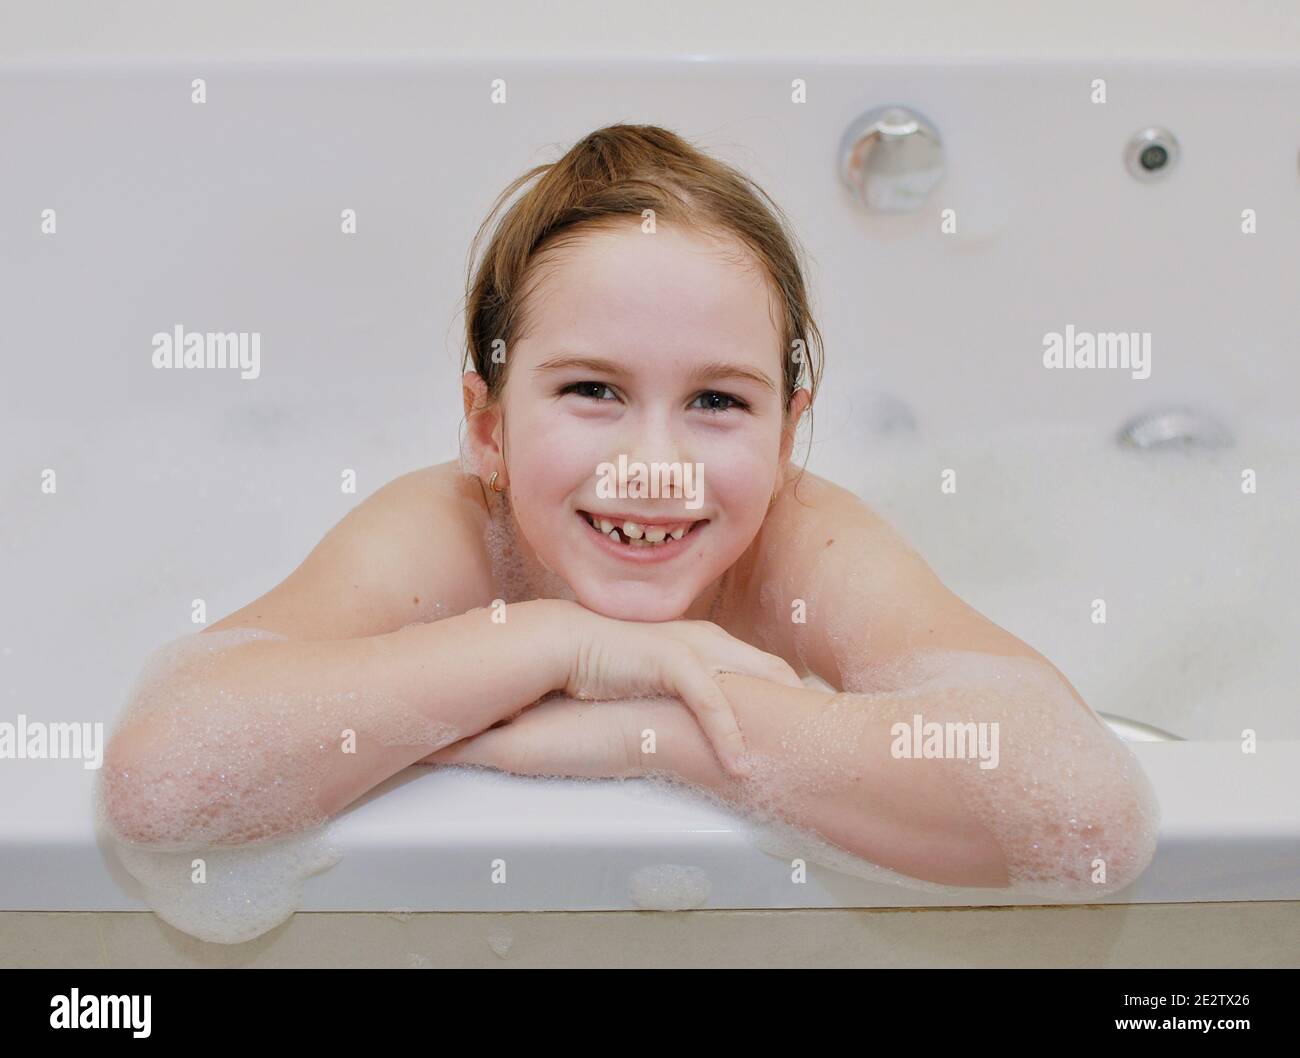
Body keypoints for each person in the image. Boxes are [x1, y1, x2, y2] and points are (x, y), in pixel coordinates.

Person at [102, 124, 1158, 894]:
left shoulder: (798, 538)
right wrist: (562, 641)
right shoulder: (450, 531)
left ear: (787, 434)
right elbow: (164, 773)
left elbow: (1075, 802)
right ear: (487, 427)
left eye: (715, 401)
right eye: (593, 390)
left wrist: (655, 733)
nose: (654, 466)